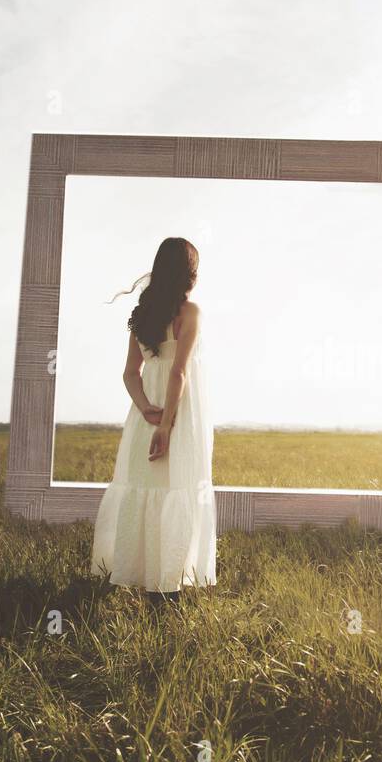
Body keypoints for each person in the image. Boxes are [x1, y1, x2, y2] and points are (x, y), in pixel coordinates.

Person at [91, 237, 215, 604]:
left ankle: (140, 576)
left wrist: (146, 408)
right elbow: (179, 373)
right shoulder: (190, 313)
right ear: (189, 274)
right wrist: (165, 425)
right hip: (178, 414)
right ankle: (167, 585)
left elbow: (131, 373)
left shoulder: (143, 315)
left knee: (148, 488)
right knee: (175, 487)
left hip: (146, 415)